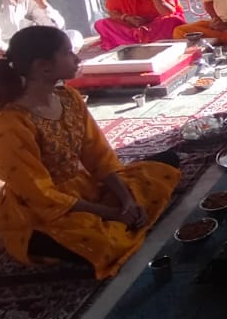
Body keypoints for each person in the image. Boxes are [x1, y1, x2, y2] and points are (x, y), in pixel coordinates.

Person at [0, 26, 180, 279]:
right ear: (44, 67)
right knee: (103, 244)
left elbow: (98, 156)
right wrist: (113, 213)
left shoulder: (69, 98)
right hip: (42, 213)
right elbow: (38, 195)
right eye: (68, 53)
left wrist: (126, 200)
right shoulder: (11, 124)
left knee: (165, 164)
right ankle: (93, 234)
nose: (77, 59)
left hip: (86, 190)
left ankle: (116, 222)